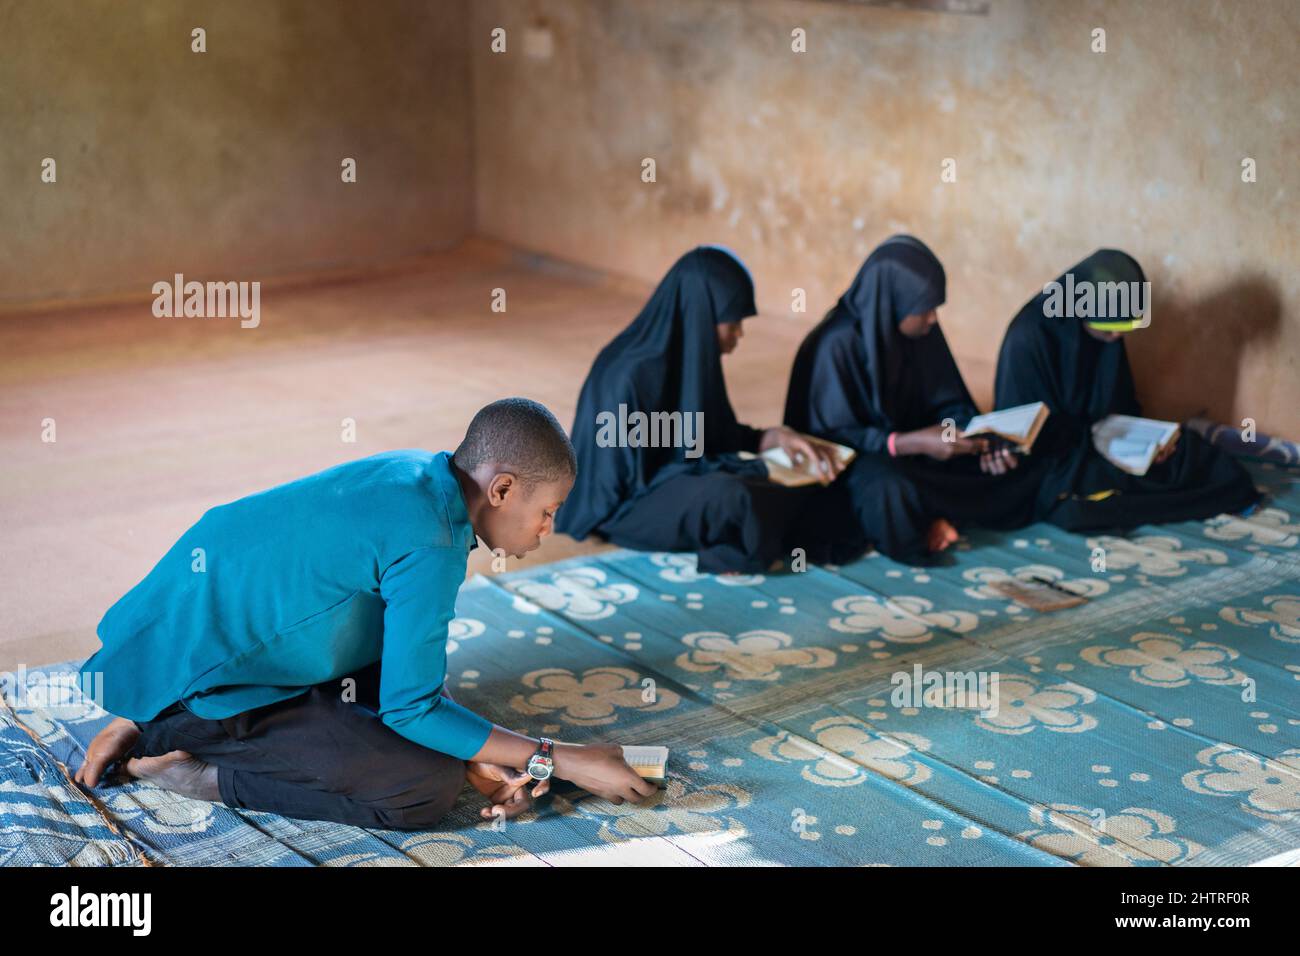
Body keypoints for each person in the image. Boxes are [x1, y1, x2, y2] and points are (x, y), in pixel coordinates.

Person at [75, 398, 657, 830]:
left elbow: (408, 676)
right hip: (196, 691)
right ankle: (193, 769)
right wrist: (562, 758)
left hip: (165, 645)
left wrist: (480, 751)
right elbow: (411, 709)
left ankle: (143, 712)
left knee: (441, 718)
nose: (549, 531)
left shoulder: (417, 472)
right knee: (421, 786)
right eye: (548, 511)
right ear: (501, 489)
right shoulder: (432, 545)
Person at [556, 245, 845, 574]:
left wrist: (775, 438)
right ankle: (728, 552)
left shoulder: (691, 359)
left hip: (674, 482)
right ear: (701, 315)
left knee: (791, 484)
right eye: (732, 322)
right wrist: (732, 470)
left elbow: (712, 435)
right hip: (621, 509)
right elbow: (623, 484)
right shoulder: (629, 374)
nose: (739, 333)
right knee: (735, 497)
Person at [783, 235, 1035, 564]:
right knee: (889, 490)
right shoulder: (835, 345)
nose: (933, 319)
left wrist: (969, 436)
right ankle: (928, 521)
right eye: (925, 309)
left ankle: (936, 515)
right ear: (894, 303)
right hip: (859, 463)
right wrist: (905, 443)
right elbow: (830, 439)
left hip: (920, 453)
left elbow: (949, 402)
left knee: (1012, 461)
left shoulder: (921, 333)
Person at [993, 248, 1261, 530]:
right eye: (1109, 329)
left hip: (1109, 441)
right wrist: (1102, 449)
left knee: (1192, 451)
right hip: (1058, 461)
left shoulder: (1106, 325)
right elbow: (1025, 438)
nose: (1117, 336)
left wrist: (1147, 444)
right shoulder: (1027, 337)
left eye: (1124, 327)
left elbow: (1118, 404)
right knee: (1077, 508)